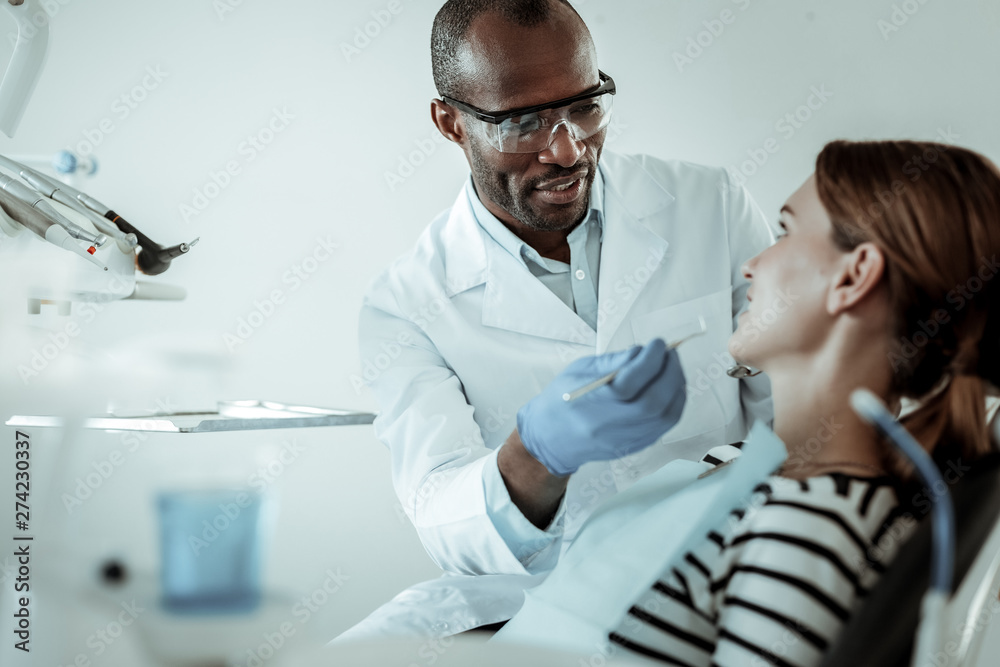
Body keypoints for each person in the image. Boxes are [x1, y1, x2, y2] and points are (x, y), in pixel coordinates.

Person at [494, 139, 1000, 666]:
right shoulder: (739, 465)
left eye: (786, 231)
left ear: (853, 277)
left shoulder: (813, 520)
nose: (753, 265)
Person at [357, 0, 773, 602]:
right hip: (549, 616)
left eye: (584, 107)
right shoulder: (405, 305)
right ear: (450, 122)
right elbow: (441, 517)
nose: (568, 150)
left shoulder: (711, 205)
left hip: (731, 583)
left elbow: (803, 414)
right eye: (523, 123)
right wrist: (536, 455)